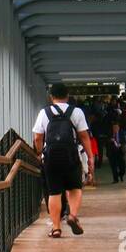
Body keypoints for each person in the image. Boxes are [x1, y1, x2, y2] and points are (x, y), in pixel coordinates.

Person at [33, 82, 95, 238]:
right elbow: (84, 136)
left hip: (51, 158)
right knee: (74, 188)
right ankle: (73, 215)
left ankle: (56, 228)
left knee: (54, 192)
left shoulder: (44, 113)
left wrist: (40, 152)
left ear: (51, 97)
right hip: (71, 156)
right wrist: (90, 158)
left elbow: (37, 137)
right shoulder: (77, 112)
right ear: (68, 96)